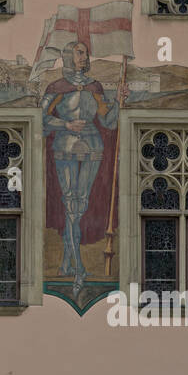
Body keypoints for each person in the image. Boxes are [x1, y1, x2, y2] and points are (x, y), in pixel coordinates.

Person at [42, 41, 127, 293]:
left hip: (92, 146)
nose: (84, 56)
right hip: (65, 146)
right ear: (68, 56)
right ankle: (78, 267)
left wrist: (119, 102)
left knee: (80, 206)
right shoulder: (57, 87)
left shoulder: (94, 87)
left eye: (85, 53)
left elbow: (108, 121)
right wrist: (64, 126)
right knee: (71, 204)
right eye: (79, 53)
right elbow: (40, 117)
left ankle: (67, 263)